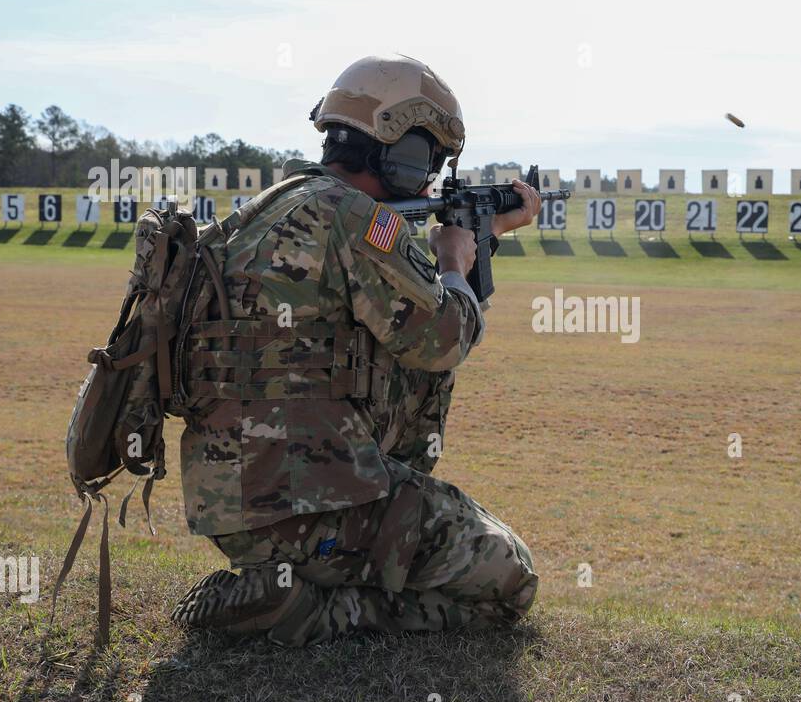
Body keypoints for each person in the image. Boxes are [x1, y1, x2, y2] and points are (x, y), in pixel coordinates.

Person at [170, 54, 540, 645]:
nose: (428, 180)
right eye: (431, 160)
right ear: (401, 151)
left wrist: (480, 235)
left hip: (233, 507)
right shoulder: (352, 218)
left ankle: (285, 583)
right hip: (320, 507)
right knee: (512, 579)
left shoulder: (268, 210)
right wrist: (457, 263)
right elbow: (440, 340)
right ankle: (309, 611)